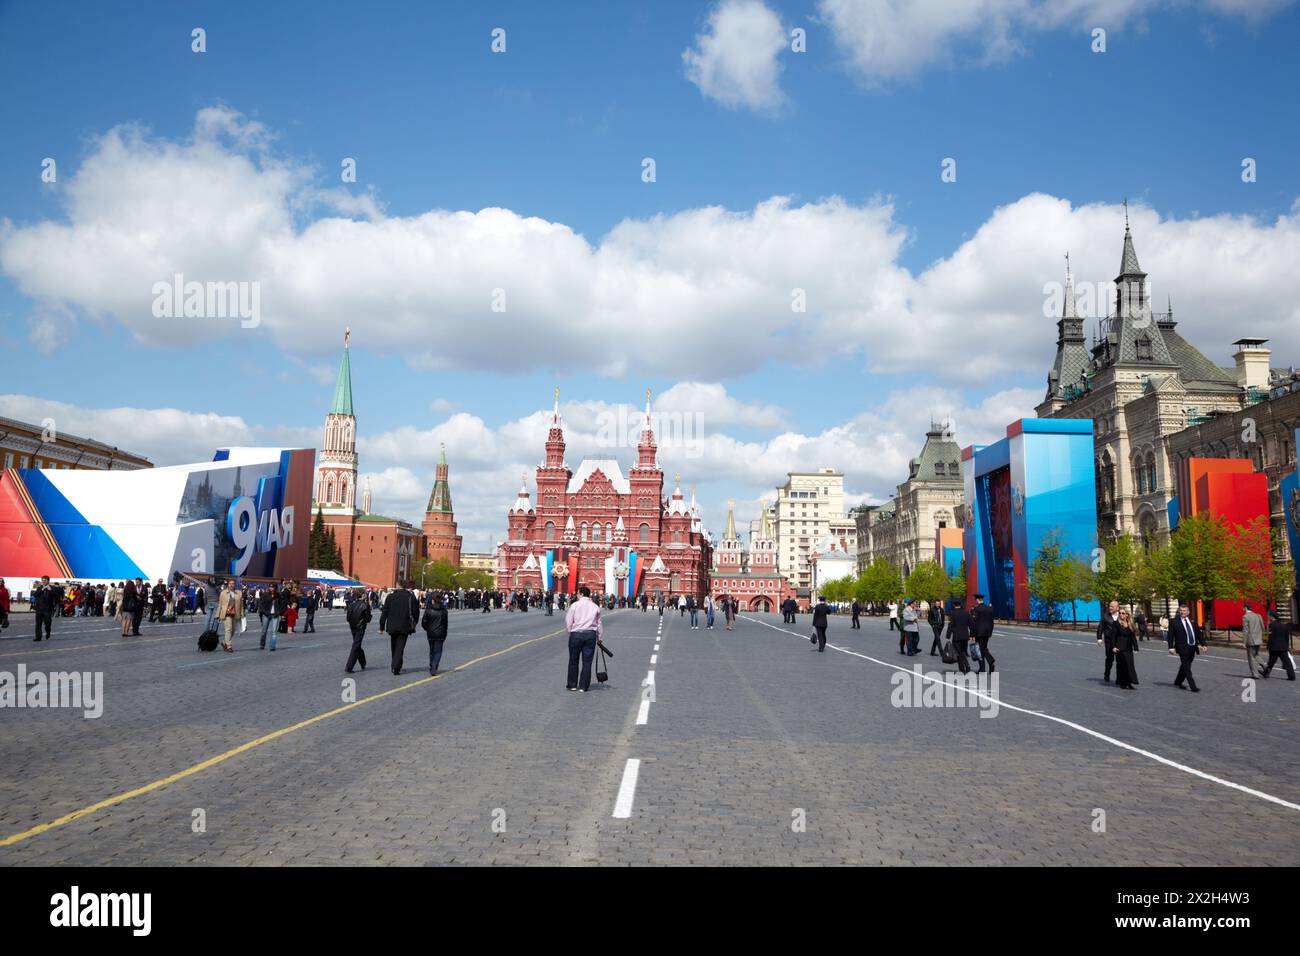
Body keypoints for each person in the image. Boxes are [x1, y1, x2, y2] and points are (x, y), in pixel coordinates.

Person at [565, 585, 603, 692]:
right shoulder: (595, 607)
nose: (577, 595)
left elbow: (568, 621)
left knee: (573, 660)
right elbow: (599, 624)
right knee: (587, 662)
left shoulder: (575, 605)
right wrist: (599, 637)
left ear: (581, 594)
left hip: (576, 634)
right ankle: (583, 686)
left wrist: (571, 632)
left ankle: (572, 685)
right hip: (590, 635)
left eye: (578, 593)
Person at [379, 581, 420, 675]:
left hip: (392, 625)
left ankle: (396, 664)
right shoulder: (410, 597)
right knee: (400, 647)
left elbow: (384, 612)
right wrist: (415, 623)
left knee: (394, 646)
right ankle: (396, 666)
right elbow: (416, 612)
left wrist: (381, 626)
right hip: (405, 625)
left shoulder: (390, 597)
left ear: (398, 586)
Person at [1167, 602, 1203, 692]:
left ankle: (1178, 681)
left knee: (1185, 665)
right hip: (1182, 648)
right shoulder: (1174, 621)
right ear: (1179, 611)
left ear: (1188, 612)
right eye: (1181, 610)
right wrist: (1170, 647)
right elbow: (1170, 636)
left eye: (1184, 610)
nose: (1183, 612)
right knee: (1187, 667)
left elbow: (1198, 633)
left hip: (1192, 647)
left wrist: (1203, 644)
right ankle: (1193, 686)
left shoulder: (1192, 621)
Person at [1259, 609, 1296, 680]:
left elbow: (1271, 637)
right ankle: (1292, 676)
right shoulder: (1283, 626)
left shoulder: (1271, 625)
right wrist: (1287, 647)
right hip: (1283, 647)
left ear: (1272, 617)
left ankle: (1266, 673)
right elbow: (1286, 637)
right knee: (1287, 662)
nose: (1268, 617)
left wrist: (1268, 646)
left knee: (1271, 662)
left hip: (1274, 647)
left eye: (1269, 616)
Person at [421, 590, 449, 675]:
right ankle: (434, 666)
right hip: (440, 633)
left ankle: (432, 665)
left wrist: (427, 629)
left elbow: (424, 622)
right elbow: (445, 624)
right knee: (438, 651)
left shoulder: (429, 610)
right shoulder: (444, 611)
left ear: (432, 600)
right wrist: (445, 633)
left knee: (432, 650)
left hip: (431, 633)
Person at [345, 588, 372, 673]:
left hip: (353, 627)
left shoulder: (351, 604)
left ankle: (362, 662)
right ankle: (349, 666)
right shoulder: (365, 605)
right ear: (363, 595)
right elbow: (368, 619)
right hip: (360, 627)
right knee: (356, 646)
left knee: (357, 645)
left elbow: (348, 618)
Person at [1113, 608, 1139, 689]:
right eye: (1120, 613)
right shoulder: (1116, 623)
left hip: (1128, 648)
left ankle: (1129, 682)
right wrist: (1113, 646)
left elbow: (1133, 637)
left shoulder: (1130, 624)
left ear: (1127, 615)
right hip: (1119, 648)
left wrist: (1136, 647)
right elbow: (1113, 636)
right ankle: (1123, 683)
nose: (1121, 614)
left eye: (1123, 613)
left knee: (1130, 665)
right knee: (1123, 665)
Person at [945, 597, 972, 674]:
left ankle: (966, 666)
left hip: (957, 636)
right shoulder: (966, 613)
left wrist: (948, 636)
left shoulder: (953, 613)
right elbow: (971, 624)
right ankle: (962, 669)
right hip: (965, 636)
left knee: (959, 652)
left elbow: (951, 625)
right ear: (960, 604)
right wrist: (972, 634)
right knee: (963, 651)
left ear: (954, 605)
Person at [971, 593, 996, 674]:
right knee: (984, 648)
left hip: (979, 633)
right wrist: (990, 632)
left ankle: (983, 668)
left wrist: (972, 634)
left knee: (979, 650)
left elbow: (974, 623)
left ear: (977, 600)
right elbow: (992, 622)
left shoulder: (976, 609)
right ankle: (990, 662)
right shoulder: (989, 609)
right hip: (987, 632)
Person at [217, 579, 243, 653]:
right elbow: (220, 604)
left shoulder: (239, 593)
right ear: (228, 584)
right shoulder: (223, 593)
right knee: (228, 629)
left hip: (235, 613)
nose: (231, 585)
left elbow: (241, 605)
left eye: (233, 583)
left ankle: (224, 642)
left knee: (233, 631)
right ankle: (229, 646)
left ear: (235, 585)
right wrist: (217, 614)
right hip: (226, 613)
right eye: (230, 583)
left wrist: (242, 613)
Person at [1097, 600, 1120, 683]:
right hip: (1109, 641)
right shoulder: (1105, 616)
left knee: (1120, 660)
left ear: (1117, 608)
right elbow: (1100, 627)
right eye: (1109, 606)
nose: (1110, 608)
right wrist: (1099, 638)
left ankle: (1119, 678)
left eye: (1112, 606)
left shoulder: (1121, 615)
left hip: (1119, 642)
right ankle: (1107, 674)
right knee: (1110, 658)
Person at [1242, 603, 1265, 680]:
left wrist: (1244, 642)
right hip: (1258, 639)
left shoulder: (1245, 617)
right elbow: (1263, 627)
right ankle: (1265, 666)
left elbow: (1245, 630)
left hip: (1250, 640)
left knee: (1251, 657)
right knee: (1256, 654)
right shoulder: (1258, 615)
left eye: (1243, 607)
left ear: (1245, 608)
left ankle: (1255, 674)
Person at [32, 575, 56, 642]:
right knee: (38, 624)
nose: (43, 581)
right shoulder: (39, 588)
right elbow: (35, 594)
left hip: (48, 609)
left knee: (47, 623)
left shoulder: (52, 588)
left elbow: (56, 596)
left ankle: (48, 632)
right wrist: (42, 590)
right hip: (39, 608)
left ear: (48, 581)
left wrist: (50, 590)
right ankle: (38, 637)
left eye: (45, 580)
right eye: (42, 580)